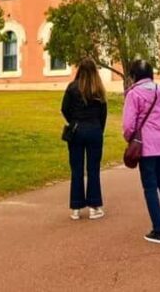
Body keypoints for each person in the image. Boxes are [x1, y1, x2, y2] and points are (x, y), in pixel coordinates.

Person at [123, 59, 160, 244]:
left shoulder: (134, 94)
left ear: (133, 76)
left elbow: (128, 124)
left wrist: (130, 139)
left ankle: (158, 230)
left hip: (146, 147)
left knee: (150, 187)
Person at [61, 58, 107, 220]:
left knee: (77, 169)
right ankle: (94, 207)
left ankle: (76, 207)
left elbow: (64, 108)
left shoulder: (72, 87)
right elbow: (103, 113)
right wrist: (99, 129)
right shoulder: (98, 89)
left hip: (77, 129)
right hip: (94, 129)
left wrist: (73, 121)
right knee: (93, 169)